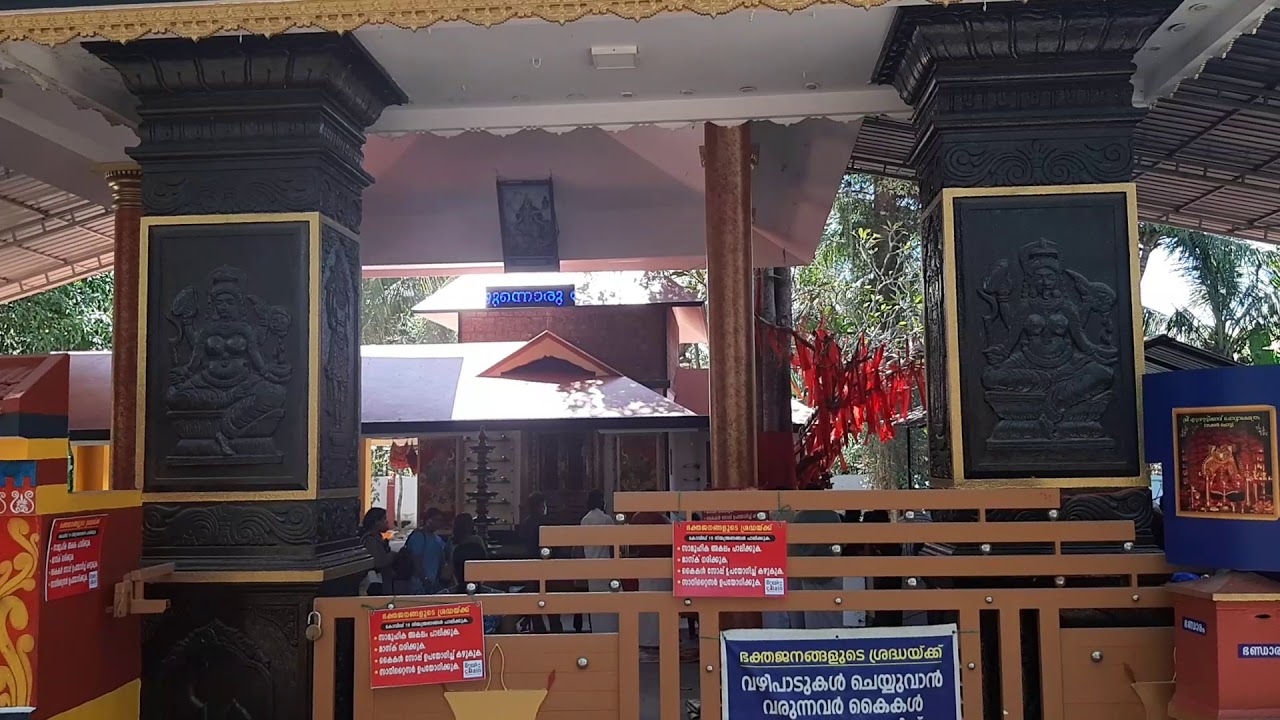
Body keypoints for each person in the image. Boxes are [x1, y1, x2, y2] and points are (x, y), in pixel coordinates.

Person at [518, 492, 563, 633]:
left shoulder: (525, 524)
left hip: (531, 566)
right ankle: (556, 629)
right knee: (552, 602)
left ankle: (539, 629)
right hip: (548, 567)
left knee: (534, 601)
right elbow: (557, 545)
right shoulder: (548, 522)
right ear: (541, 506)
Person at [438, 542, 503, 634]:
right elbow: (510, 637)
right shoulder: (500, 599)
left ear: (454, 569)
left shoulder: (439, 600)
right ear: (483, 568)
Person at [579, 489, 616, 633]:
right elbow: (614, 544)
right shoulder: (606, 519)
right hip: (606, 564)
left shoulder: (585, 520)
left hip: (590, 565)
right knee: (609, 601)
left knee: (595, 600)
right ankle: (610, 630)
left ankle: (596, 630)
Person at [403, 507, 448, 593]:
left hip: (433, 582)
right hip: (418, 583)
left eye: (440, 520)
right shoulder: (418, 536)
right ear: (428, 520)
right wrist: (424, 579)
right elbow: (416, 559)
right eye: (436, 520)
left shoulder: (438, 539)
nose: (439, 523)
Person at [360, 507, 395, 596]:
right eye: (384, 519)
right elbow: (379, 562)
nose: (386, 522)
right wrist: (393, 555)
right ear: (376, 522)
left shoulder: (377, 537)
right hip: (376, 583)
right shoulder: (370, 540)